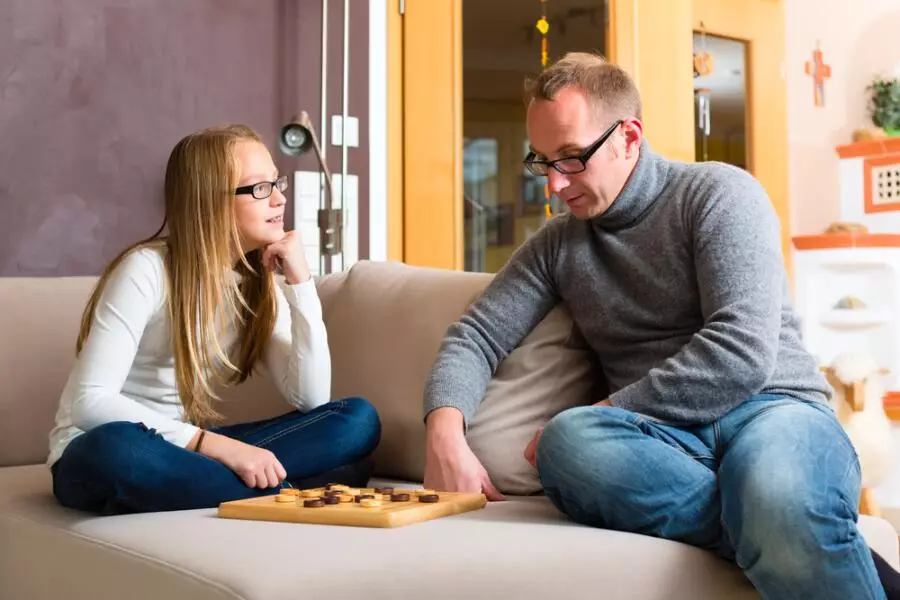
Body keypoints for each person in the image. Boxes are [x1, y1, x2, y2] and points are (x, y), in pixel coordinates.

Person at [421, 52, 888, 599]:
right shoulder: (557, 245)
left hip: (772, 409)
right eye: (541, 162)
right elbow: (474, 336)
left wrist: (608, 409)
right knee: (567, 443)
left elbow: (740, 353)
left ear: (629, 138)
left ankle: (785, 519)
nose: (553, 185)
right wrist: (444, 433)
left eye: (570, 158)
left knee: (774, 489)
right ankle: (787, 530)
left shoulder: (718, 194)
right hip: (661, 444)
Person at [48, 124, 381, 515]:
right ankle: (295, 489)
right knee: (118, 450)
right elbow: (90, 403)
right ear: (211, 201)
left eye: (278, 183)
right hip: (102, 450)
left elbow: (312, 398)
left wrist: (301, 283)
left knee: (356, 420)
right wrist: (218, 447)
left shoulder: (259, 283)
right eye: (260, 188)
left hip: (183, 454)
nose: (278, 200)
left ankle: (236, 487)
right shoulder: (147, 270)